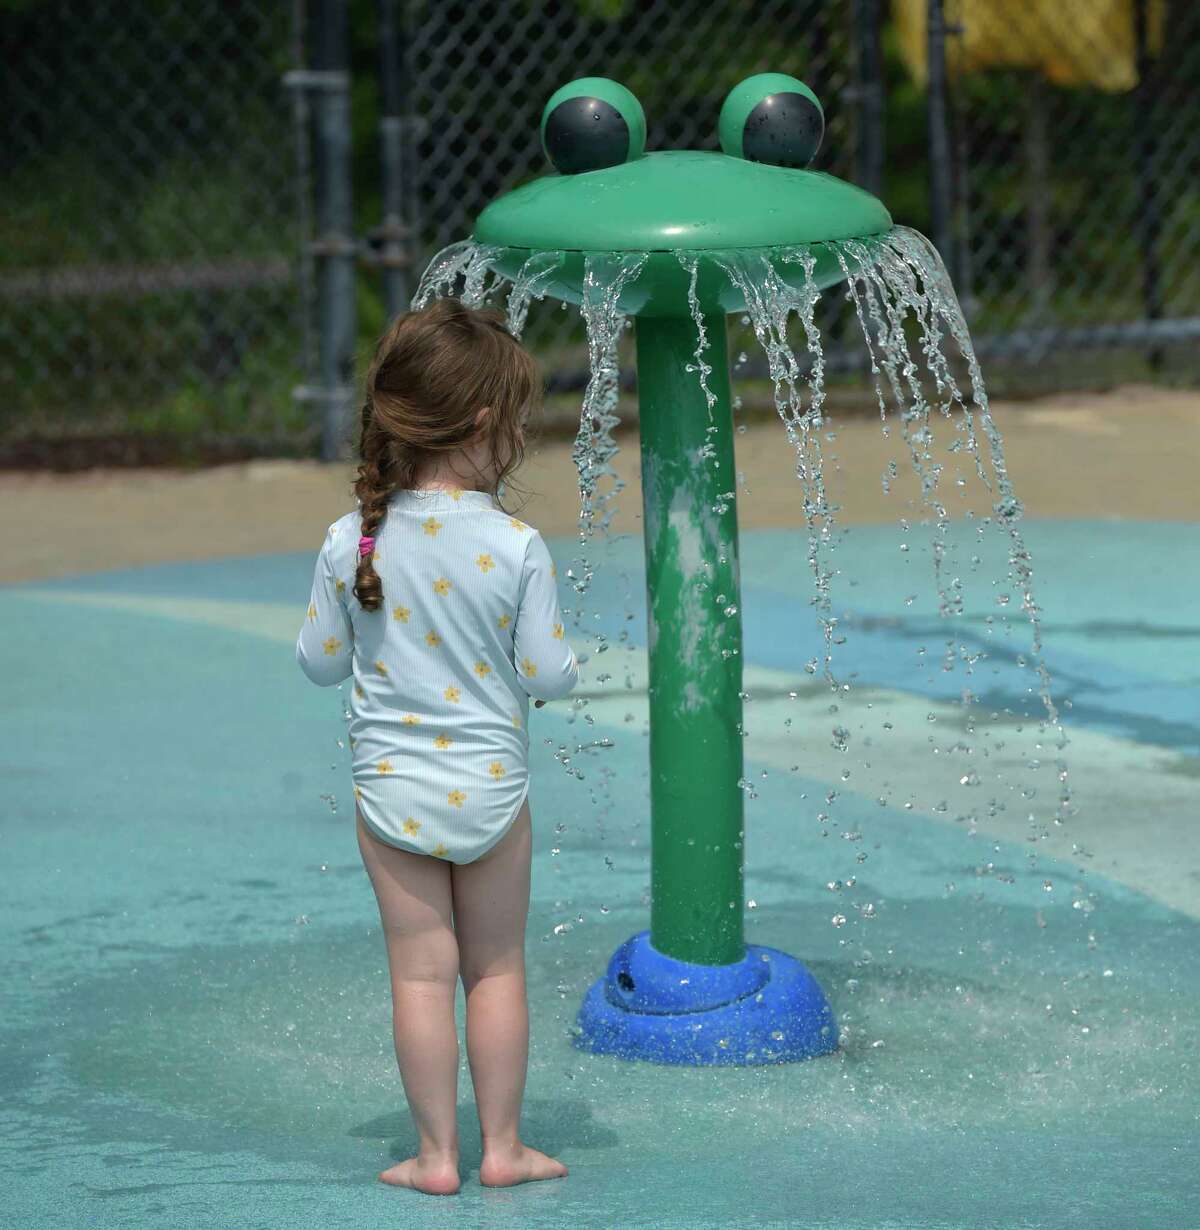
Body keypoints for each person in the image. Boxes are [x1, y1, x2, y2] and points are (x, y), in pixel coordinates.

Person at [296, 297, 578, 1196]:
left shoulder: (355, 541)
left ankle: (434, 1157)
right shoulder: (515, 544)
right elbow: (547, 673)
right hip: (493, 796)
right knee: (495, 970)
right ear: (489, 424)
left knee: (421, 980)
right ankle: (504, 1148)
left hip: (392, 800)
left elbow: (319, 663)